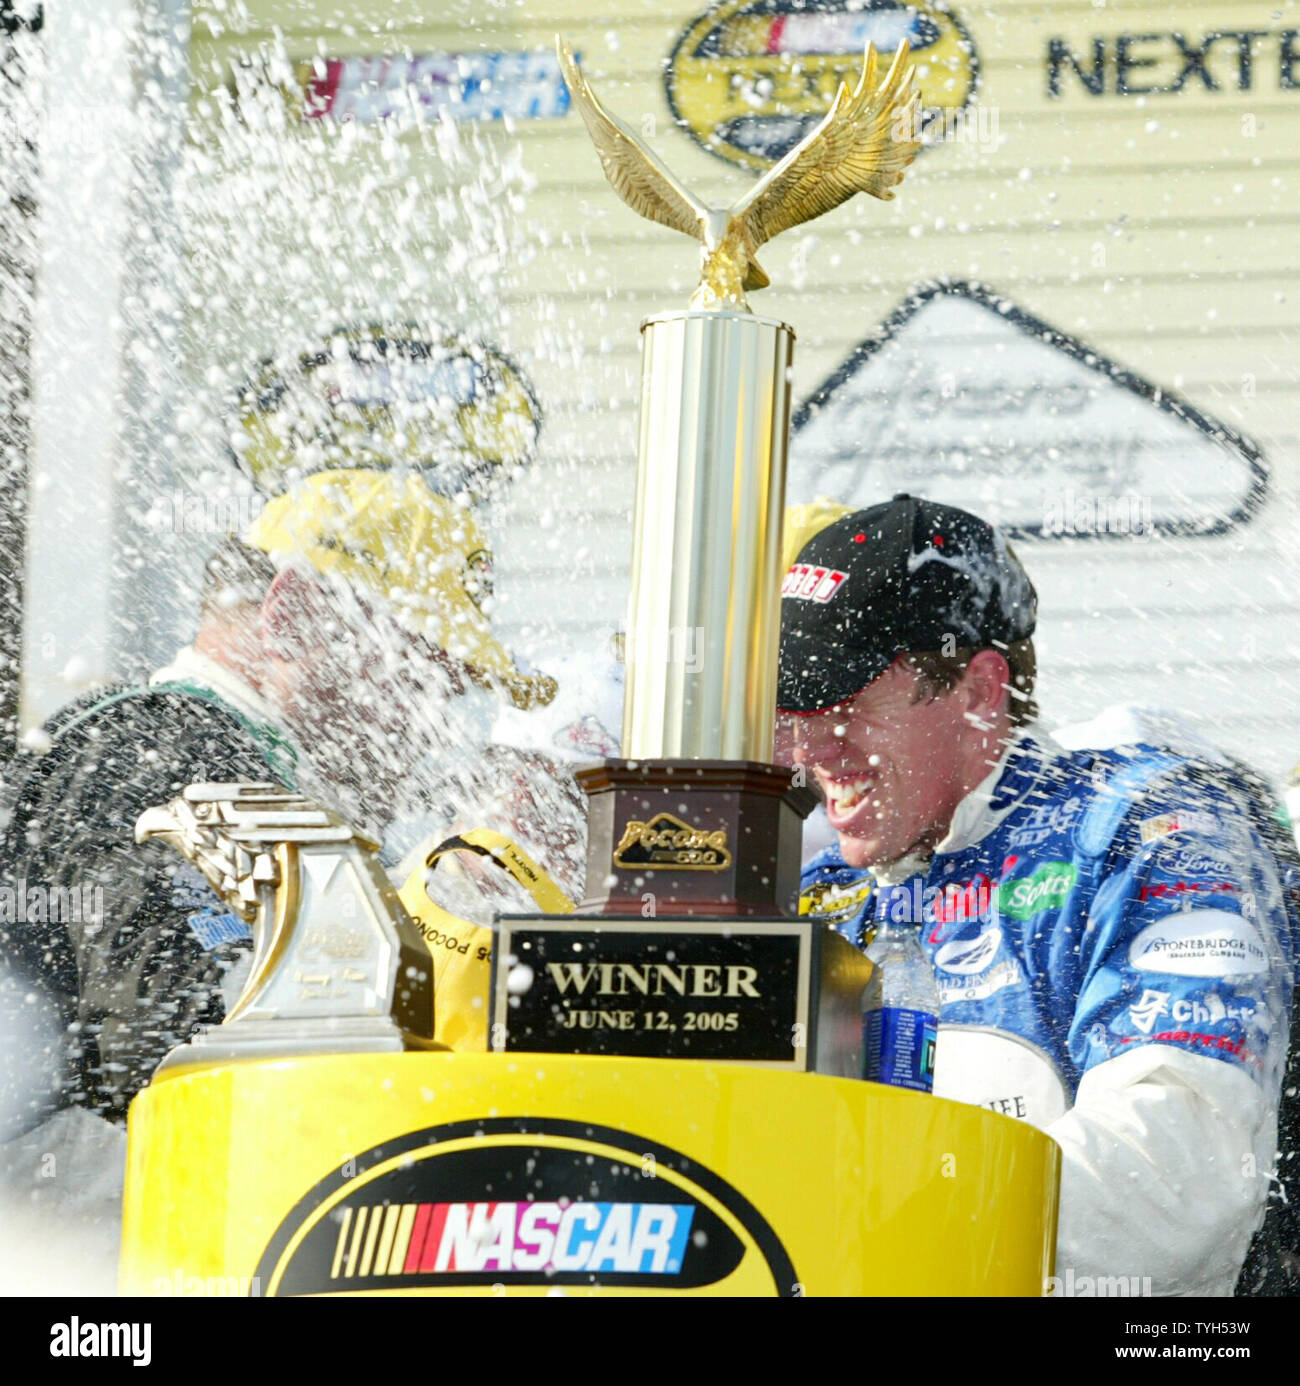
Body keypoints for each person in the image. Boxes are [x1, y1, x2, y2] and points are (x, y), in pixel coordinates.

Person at [775, 493, 1295, 1297]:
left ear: (982, 691)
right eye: (795, 710)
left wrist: (883, 1245)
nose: (812, 749)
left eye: (845, 706)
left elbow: (1183, 1168)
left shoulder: (1150, 834)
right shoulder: (826, 897)